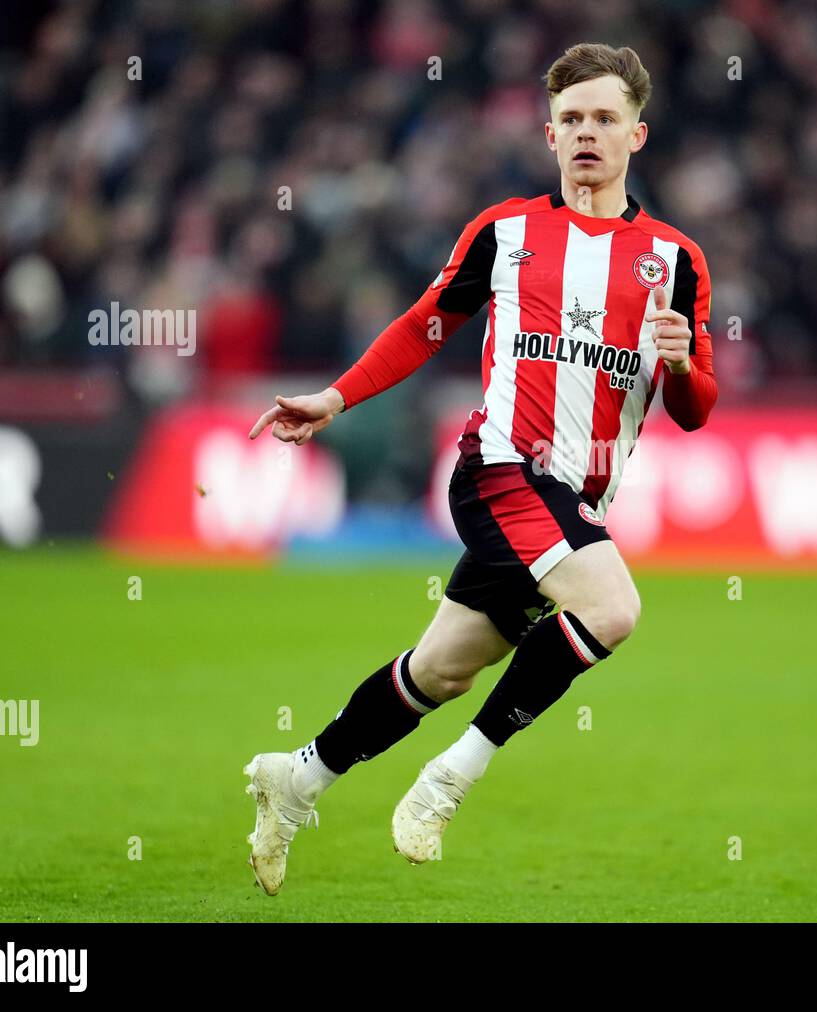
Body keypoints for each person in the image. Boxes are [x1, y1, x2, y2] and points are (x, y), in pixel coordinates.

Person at [242, 42, 717, 895]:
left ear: (636, 136)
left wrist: (681, 363)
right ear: (548, 133)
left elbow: (696, 408)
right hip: (499, 469)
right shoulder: (505, 233)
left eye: (605, 119)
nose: (587, 134)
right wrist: (335, 397)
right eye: (571, 119)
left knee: (441, 670)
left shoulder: (674, 261)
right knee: (612, 607)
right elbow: (426, 324)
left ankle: (299, 778)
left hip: (577, 500)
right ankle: (451, 778)